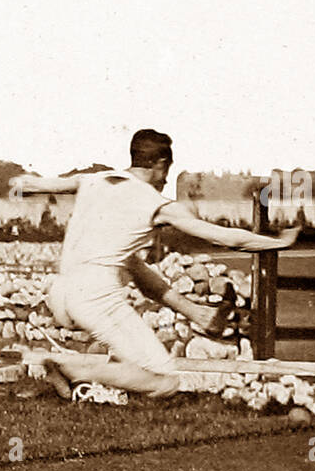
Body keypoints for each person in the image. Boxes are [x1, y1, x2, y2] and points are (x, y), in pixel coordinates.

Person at [44, 129, 298, 400]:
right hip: (96, 297)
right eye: (167, 170)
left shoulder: (99, 184)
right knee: (165, 381)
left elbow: (141, 276)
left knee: (132, 351)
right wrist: (277, 243)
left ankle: (86, 382)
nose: (166, 180)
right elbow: (224, 237)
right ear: (160, 163)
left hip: (61, 292)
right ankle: (71, 369)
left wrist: (195, 313)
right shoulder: (153, 202)